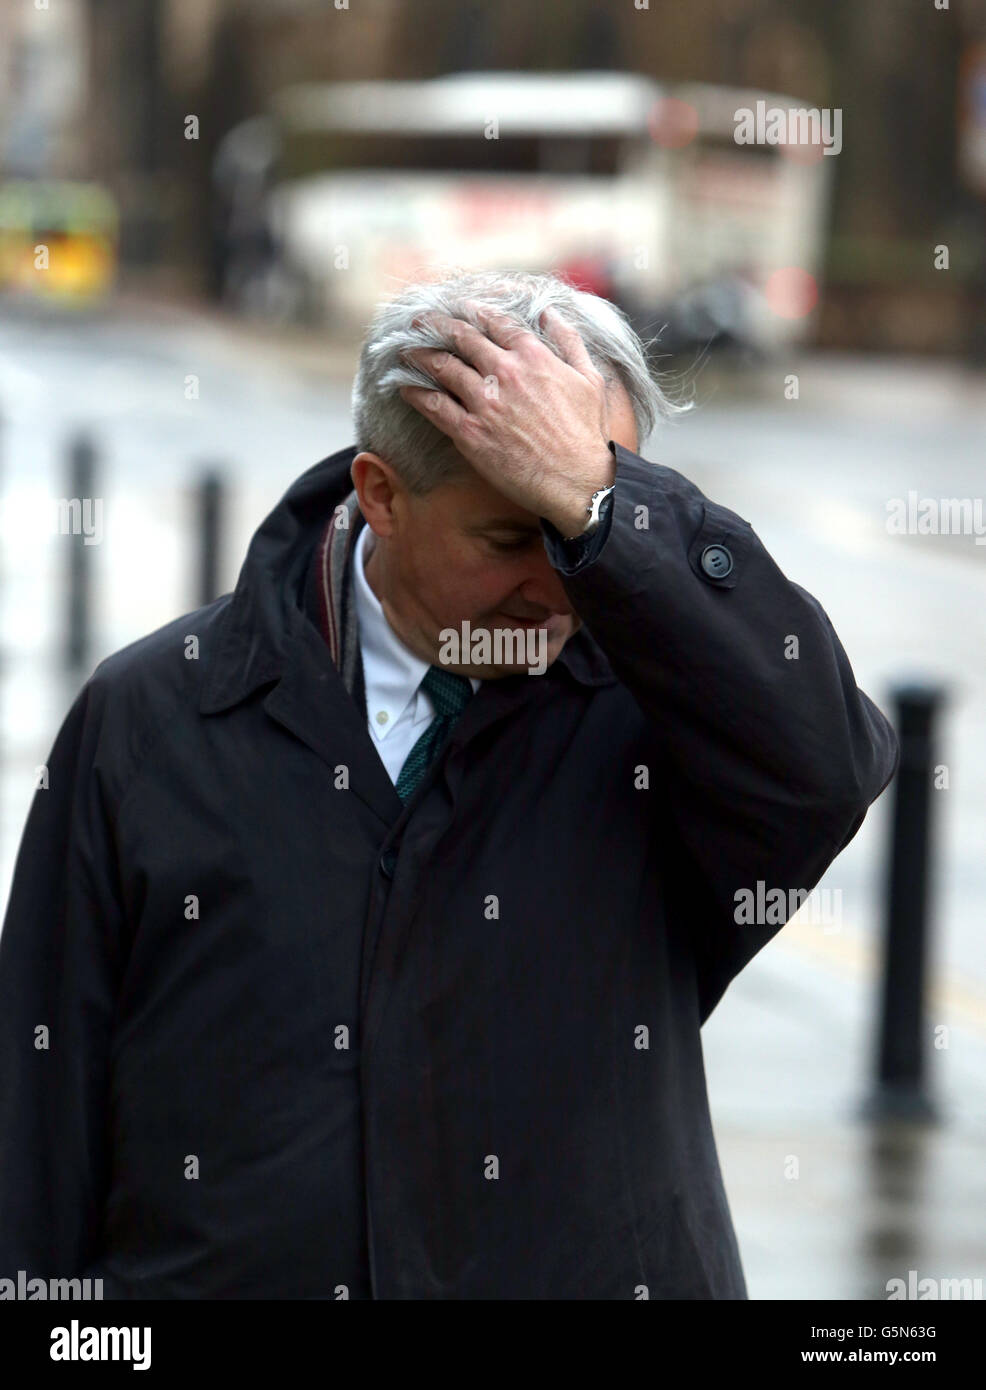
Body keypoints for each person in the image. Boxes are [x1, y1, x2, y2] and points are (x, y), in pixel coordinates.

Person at [0, 269, 898, 1299]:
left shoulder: (661, 708)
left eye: (578, 529)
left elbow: (826, 769)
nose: (558, 582)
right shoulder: (151, 719)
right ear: (379, 494)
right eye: (513, 536)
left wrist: (617, 514)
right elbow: (38, 1133)